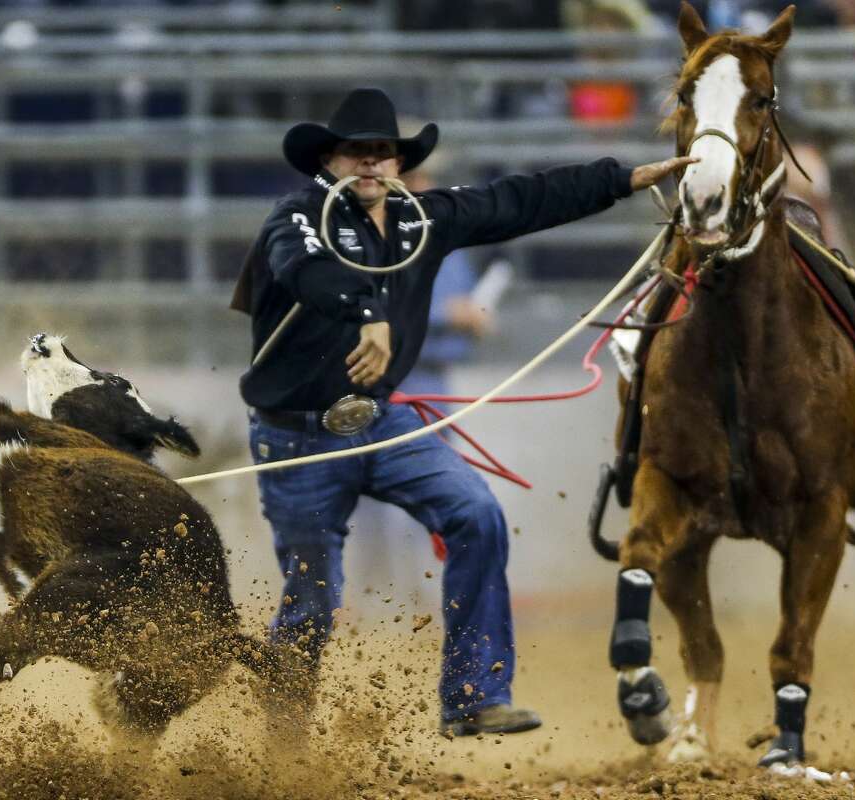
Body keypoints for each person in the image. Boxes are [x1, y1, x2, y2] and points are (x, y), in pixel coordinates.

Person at [230, 87, 691, 736]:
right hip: (298, 436)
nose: (370, 163)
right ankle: (285, 735)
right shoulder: (299, 216)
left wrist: (619, 179)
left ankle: (474, 694)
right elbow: (303, 267)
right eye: (356, 152)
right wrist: (369, 311)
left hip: (380, 420)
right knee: (314, 597)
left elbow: (519, 201)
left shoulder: (421, 220)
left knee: (475, 514)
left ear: (398, 163)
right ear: (330, 162)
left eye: (383, 152)